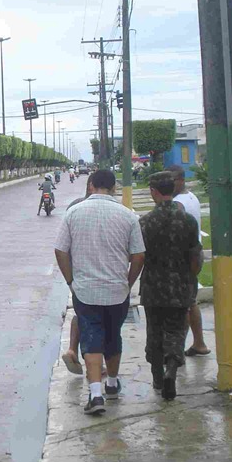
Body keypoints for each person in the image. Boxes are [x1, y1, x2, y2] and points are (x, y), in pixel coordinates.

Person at [54, 169, 145, 415]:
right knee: (113, 335)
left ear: (91, 184)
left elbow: (60, 250)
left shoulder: (74, 213)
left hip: (85, 290)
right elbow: (138, 255)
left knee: (91, 337)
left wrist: (70, 280)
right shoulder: (128, 216)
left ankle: (95, 395)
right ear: (114, 187)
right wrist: (129, 280)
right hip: (117, 290)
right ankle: (112, 383)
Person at [139, 171, 203, 400]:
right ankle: (171, 370)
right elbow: (196, 256)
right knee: (176, 331)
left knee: (154, 332)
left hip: (152, 288)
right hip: (180, 287)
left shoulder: (145, 222)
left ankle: (157, 378)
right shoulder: (188, 220)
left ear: (154, 192)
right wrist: (190, 277)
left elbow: (139, 256)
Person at [169, 165, 209, 357]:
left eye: (172, 180)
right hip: (195, 254)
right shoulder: (192, 197)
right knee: (190, 302)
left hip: (184, 258)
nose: (169, 185)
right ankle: (199, 343)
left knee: (181, 304)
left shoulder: (178, 203)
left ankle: (178, 348)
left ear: (181, 180)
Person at [60, 178, 95, 374]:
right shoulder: (107, 208)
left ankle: (73, 349)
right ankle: (97, 366)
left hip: (77, 273)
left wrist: (69, 278)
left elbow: (62, 247)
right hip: (99, 272)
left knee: (81, 312)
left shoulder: (73, 207)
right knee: (100, 321)